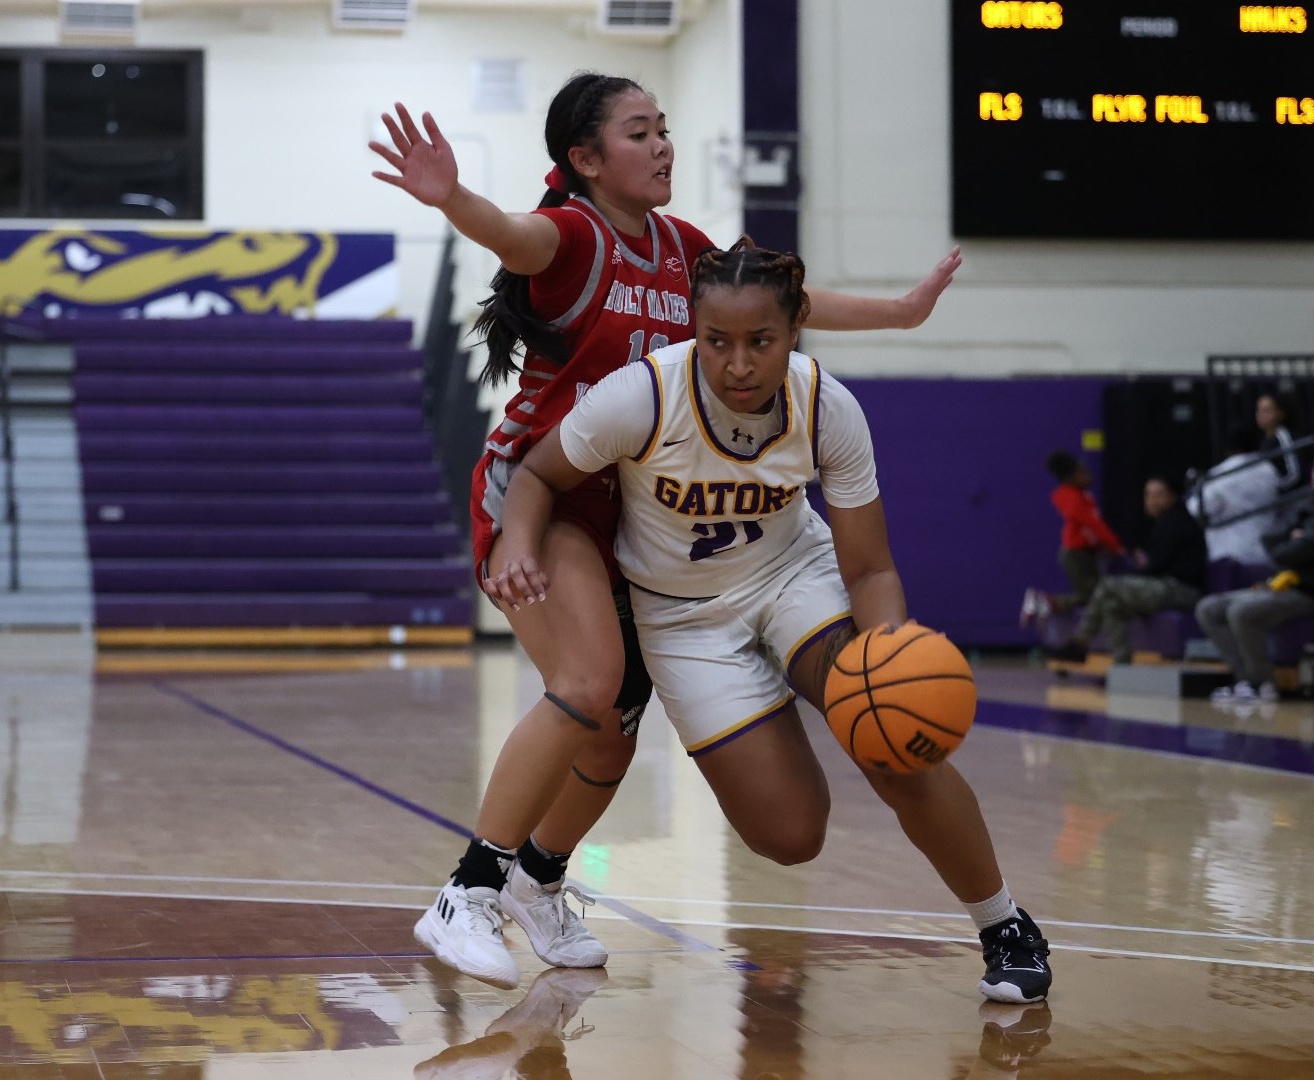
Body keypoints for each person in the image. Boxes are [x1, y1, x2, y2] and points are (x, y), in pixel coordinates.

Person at [370, 74, 966, 985]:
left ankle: (538, 880)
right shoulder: (574, 236)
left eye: (663, 130)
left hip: (614, 506)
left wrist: (899, 312)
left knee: (609, 729)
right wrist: (452, 198)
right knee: (587, 680)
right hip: (537, 489)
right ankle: (467, 891)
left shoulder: (683, 248)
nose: (662, 146)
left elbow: (780, 304)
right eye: (640, 133)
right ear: (585, 160)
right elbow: (514, 236)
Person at [486, 240, 1053, 1003]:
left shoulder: (827, 407)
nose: (738, 364)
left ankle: (1003, 924)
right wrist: (517, 542)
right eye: (717, 341)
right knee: (790, 835)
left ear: (794, 333)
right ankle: (761, 710)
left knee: (891, 747)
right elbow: (537, 475)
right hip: (684, 620)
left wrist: (882, 656)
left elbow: (870, 569)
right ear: (694, 330)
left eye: (761, 342)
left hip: (794, 579)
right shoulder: (642, 396)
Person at [1197, 449, 1314, 705]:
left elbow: (1301, 548)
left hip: (1313, 593)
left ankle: (1262, 684)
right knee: (1208, 608)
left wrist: (1292, 545)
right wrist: (1291, 544)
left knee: (1241, 611)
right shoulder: (1307, 505)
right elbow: (1272, 541)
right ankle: (1244, 680)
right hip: (1281, 584)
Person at [1044, 477, 1206, 665]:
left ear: (1173, 497)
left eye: (1158, 494)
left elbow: (1154, 568)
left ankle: (1080, 644)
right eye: (1148, 495)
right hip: (1165, 586)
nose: (1152, 500)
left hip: (1183, 591)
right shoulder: (1163, 523)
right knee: (1111, 605)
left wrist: (1136, 574)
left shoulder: (1176, 522)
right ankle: (1121, 662)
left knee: (1107, 586)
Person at [1019, 451, 1123, 625]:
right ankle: (1044, 601)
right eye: (1082, 473)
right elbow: (1093, 525)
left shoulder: (1083, 496)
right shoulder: (1072, 498)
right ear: (1070, 477)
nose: (1089, 475)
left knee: (1094, 595)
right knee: (1091, 596)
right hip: (1076, 553)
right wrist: (1115, 546)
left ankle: (1045, 602)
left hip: (1084, 553)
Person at [1186, 425, 1275, 568]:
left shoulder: (1223, 473)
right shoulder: (1268, 469)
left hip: (1231, 555)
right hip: (1265, 551)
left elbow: (1198, 508)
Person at [1255, 392, 1301, 491]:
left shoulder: (1283, 436)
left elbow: (1293, 474)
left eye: (1266, 410)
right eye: (1259, 410)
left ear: (1280, 413)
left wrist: (1275, 489)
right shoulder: (1265, 439)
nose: (1260, 415)